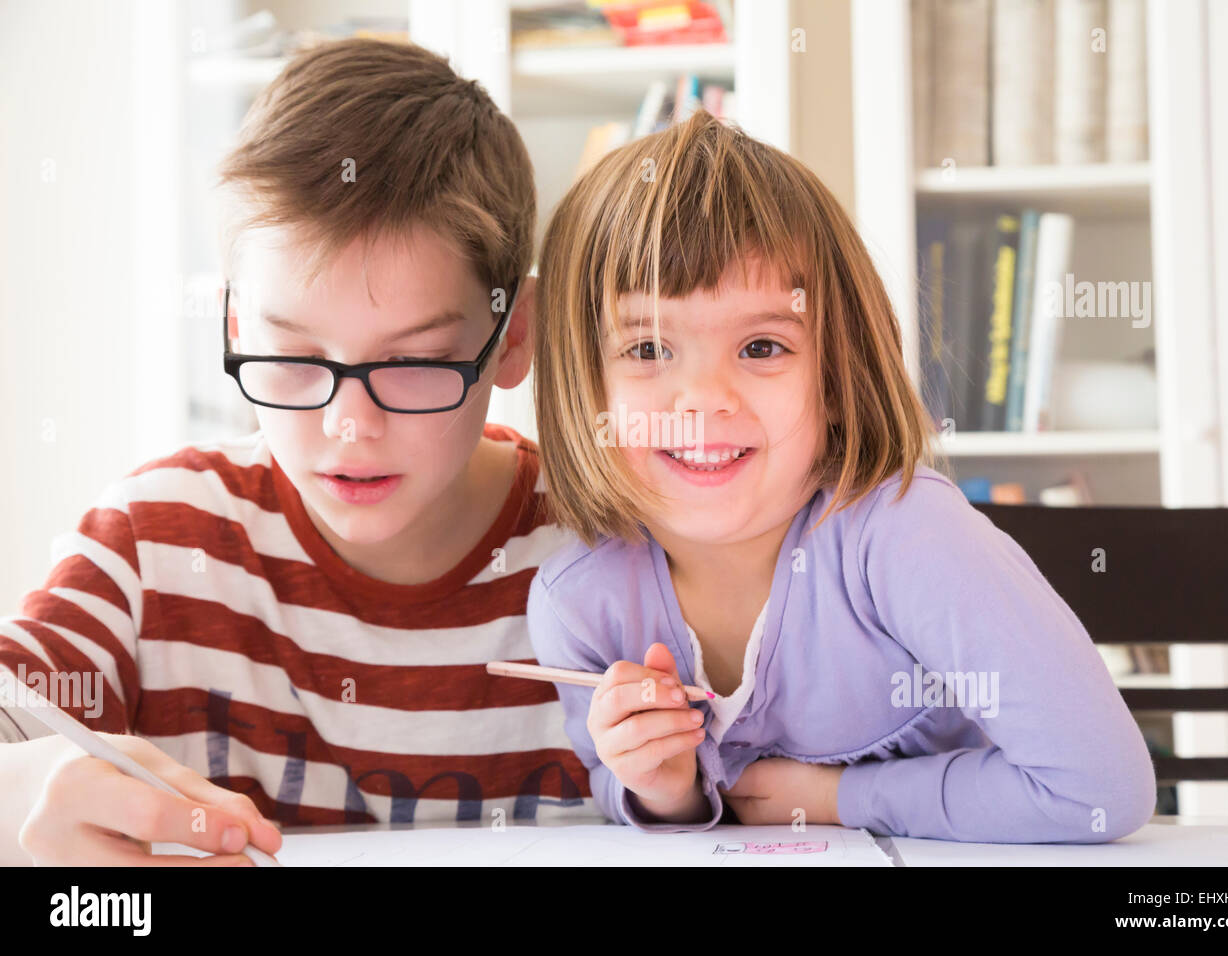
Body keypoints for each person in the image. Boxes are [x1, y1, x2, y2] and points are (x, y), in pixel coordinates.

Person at [0, 38, 594, 867]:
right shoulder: (157, 544)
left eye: (414, 364)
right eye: (295, 356)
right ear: (236, 322)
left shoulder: (608, 554)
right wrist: (24, 790)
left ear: (513, 335)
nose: (349, 425)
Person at [526, 110, 1156, 842]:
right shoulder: (579, 602)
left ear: (835, 375)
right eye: (647, 348)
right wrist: (664, 790)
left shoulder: (908, 538)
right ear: (581, 381)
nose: (703, 400)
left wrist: (837, 797)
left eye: (762, 346)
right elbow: (613, 781)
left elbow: (1099, 790)